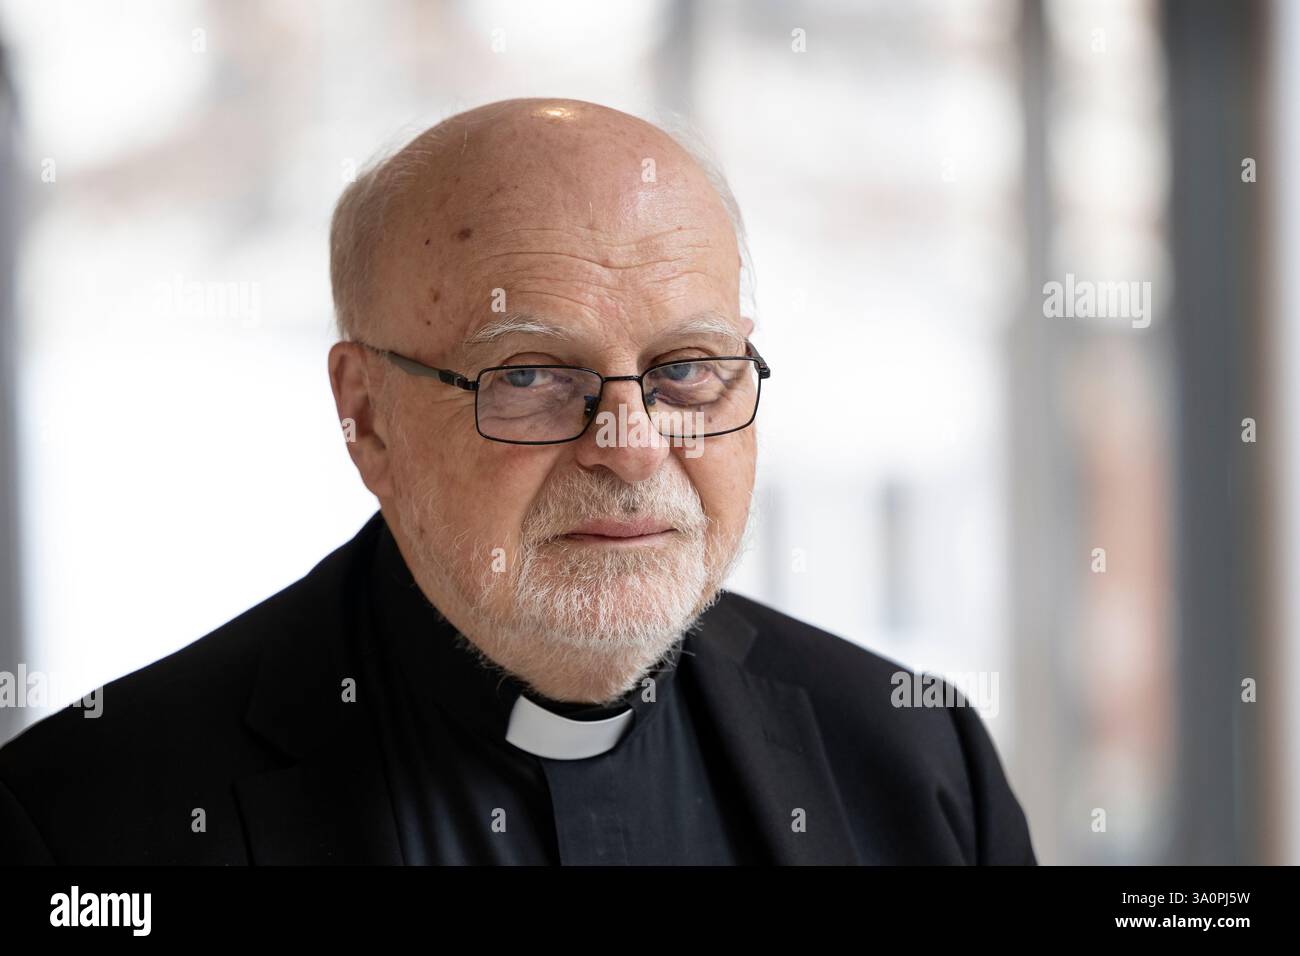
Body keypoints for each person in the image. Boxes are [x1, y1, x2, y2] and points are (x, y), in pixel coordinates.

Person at [0, 98, 1036, 864]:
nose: (629, 445)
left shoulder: (916, 759)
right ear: (365, 415)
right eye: (532, 374)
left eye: (683, 368)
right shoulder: (86, 820)